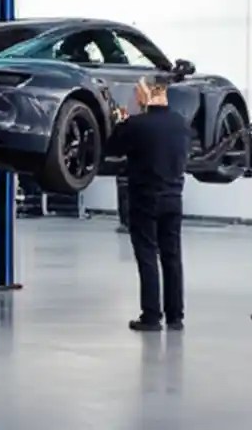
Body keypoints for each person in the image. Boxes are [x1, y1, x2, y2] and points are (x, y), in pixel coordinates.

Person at [107, 76, 191, 332]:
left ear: (146, 93)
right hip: (174, 199)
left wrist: (119, 123)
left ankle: (151, 316)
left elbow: (112, 148)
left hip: (145, 199)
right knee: (172, 256)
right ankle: (175, 317)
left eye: (137, 92)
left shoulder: (136, 124)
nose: (135, 97)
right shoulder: (182, 124)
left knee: (147, 256)